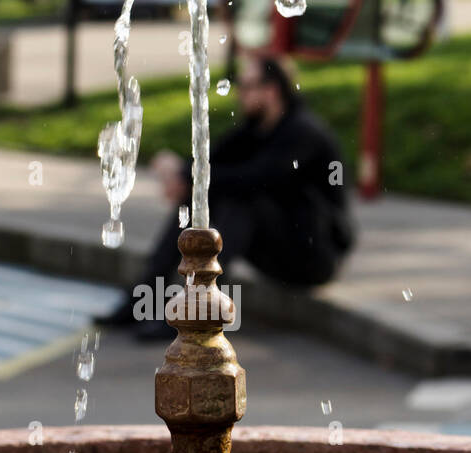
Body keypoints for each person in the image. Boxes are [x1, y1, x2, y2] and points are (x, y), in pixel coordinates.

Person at [100, 53, 355, 337]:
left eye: (247, 86)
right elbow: (212, 162)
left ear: (270, 90)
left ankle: (199, 310)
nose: (240, 95)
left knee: (241, 201)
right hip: (276, 247)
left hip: (313, 256)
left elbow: (258, 178)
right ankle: (144, 299)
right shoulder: (255, 130)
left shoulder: (304, 133)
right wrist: (183, 174)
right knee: (201, 200)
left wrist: (185, 172)